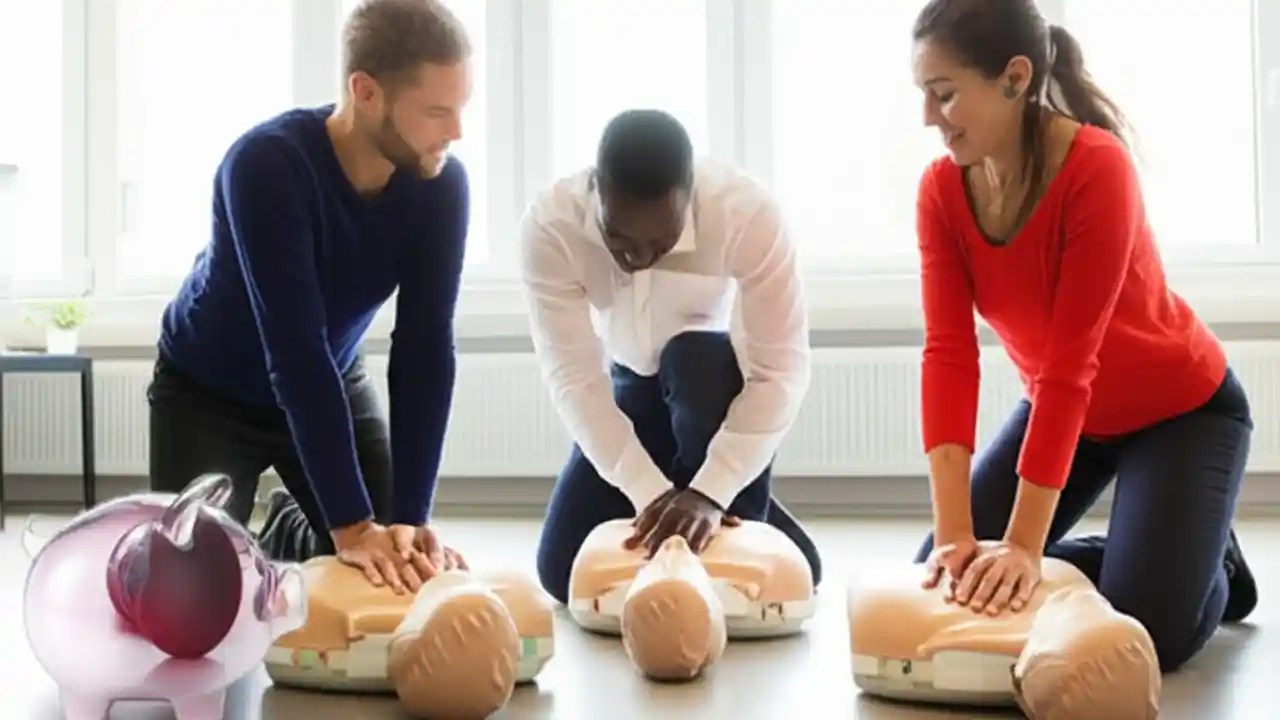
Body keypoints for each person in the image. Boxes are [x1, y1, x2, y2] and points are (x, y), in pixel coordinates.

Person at [908, 0, 1257, 672]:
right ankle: (1166, 540)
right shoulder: (940, 192)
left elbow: (1073, 364)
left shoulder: (1097, 168)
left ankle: (1203, 553)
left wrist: (1023, 548)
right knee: (942, 573)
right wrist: (957, 536)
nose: (928, 117)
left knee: (1150, 630)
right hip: (1069, 416)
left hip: (1182, 411)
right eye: (923, 95)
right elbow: (948, 355)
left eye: (944, 94)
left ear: (1014, 78)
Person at [147, 0, 473, 595]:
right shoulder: (265, 166)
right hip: (210, 393)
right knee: (190, 592)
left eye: (460, 109)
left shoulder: (440, 183)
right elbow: (294, 350)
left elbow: (426, 348)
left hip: (334, 379)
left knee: (391, 565)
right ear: (366, 92)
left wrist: (410, 516)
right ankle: (278, 534)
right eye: (436, 111)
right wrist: (350, 525)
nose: (456, 132)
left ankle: (289, 530)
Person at [521, 109, 824, 604]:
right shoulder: (551, 227)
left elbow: (779, 372)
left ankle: (730, 510)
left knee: (693, 359)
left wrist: (710, 493)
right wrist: (650, 495)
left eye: (660, 243)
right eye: (619, 240)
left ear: (690, 196)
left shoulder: (745, 213)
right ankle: (723, 512)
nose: (638, 258)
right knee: (561, 571)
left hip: (705, 386)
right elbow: (575, 380)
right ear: (596, 189)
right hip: (629, 393)